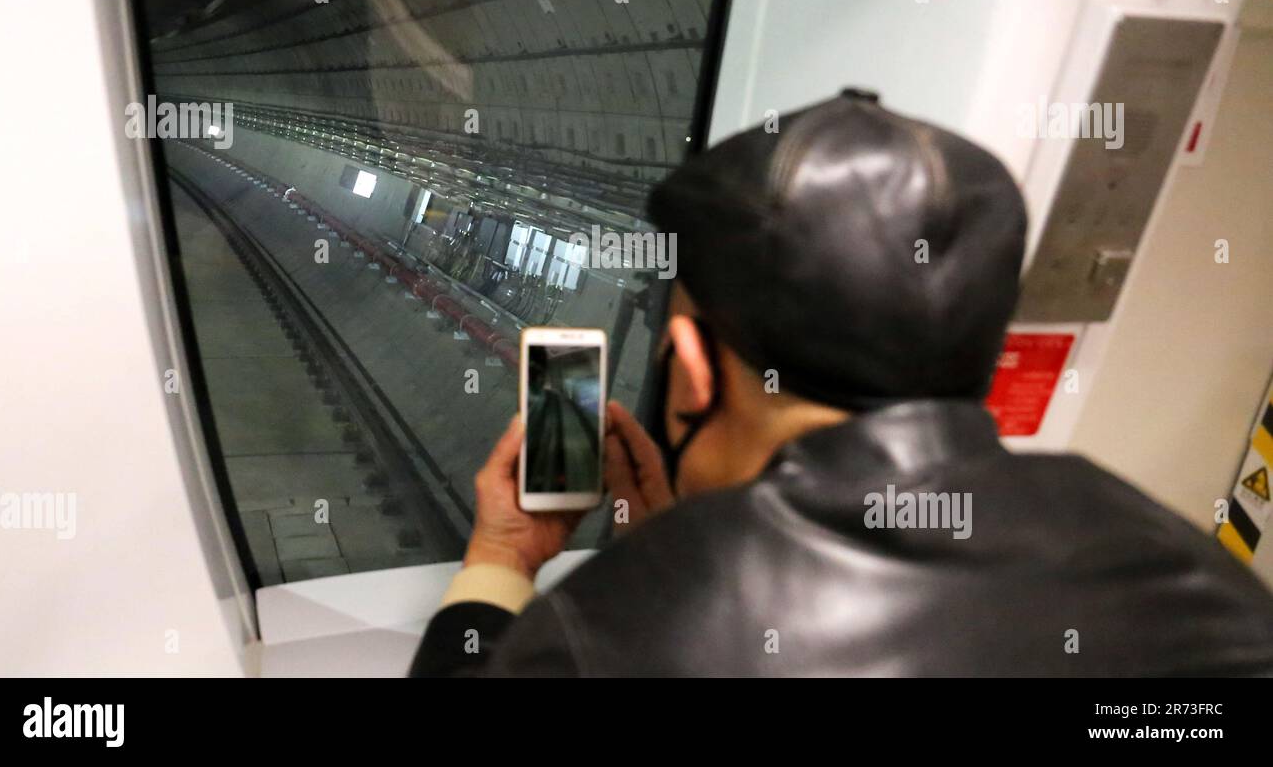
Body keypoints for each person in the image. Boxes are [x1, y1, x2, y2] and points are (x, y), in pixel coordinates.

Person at [409, 90, 1273, 676]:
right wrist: (685, 538)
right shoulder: (1190, 573)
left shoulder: (608, 633)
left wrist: (501, 558)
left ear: (695, 369)